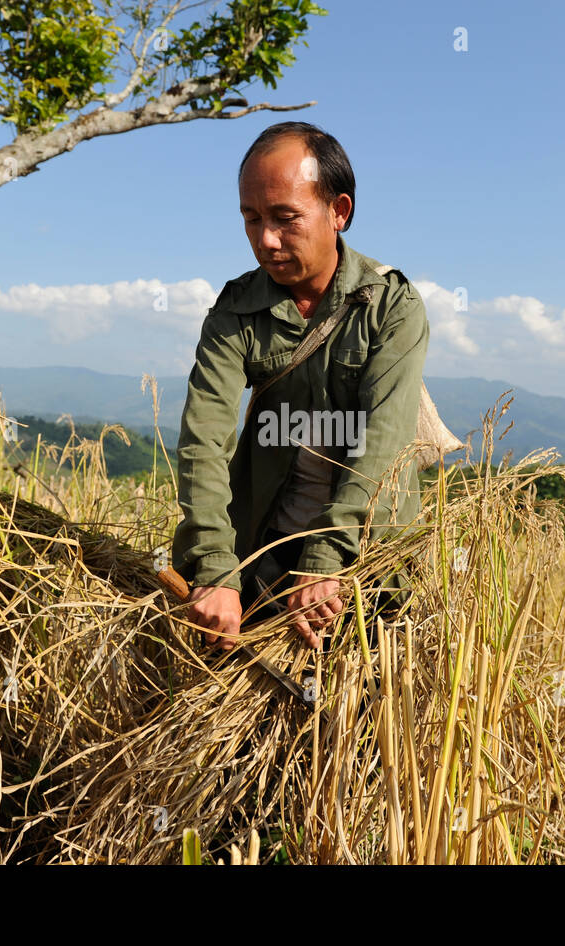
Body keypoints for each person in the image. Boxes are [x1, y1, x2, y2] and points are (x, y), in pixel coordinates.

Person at [171, 121, 429, 652]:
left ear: (339, 212)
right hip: (262, 554)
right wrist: (217, 569)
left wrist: (325, 558)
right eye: (252, 219)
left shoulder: (391, 307)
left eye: (286, 219)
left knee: (361, 719)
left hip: (366, 561)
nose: (266, 239)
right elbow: (205, 439)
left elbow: (383, 442)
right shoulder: (235, 310)